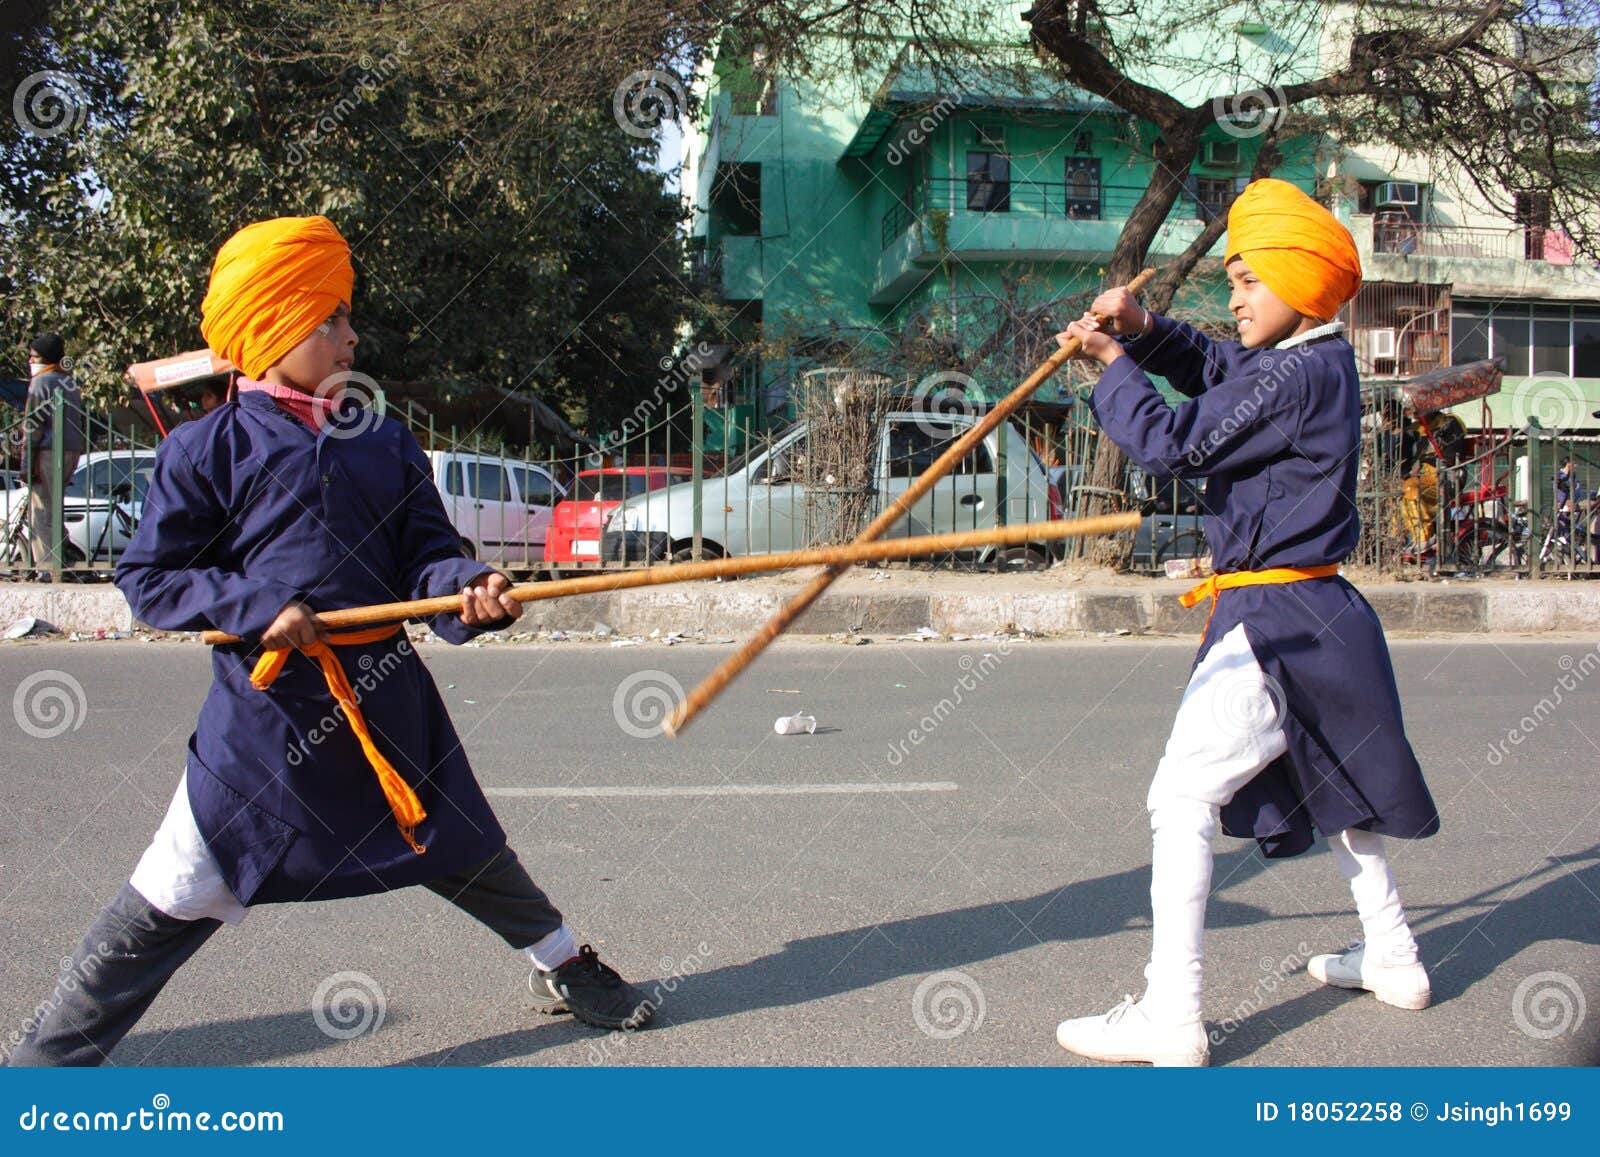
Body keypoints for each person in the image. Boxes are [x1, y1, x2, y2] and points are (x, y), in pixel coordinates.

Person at [6, 216, 653, 1067]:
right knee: (180, 884)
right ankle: (44, 1065)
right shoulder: (207, 450)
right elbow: (151, 579)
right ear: (272, 327)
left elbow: (426, 554)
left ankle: (566, 963)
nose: (351, 335)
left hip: (387, 696)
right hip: (268, 725)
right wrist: (252, 603)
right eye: (330, 319)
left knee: (462, 842)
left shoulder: (382, 438)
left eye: (346, 317)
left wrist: (466, 589)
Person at [1051, 179, 1440, 1067]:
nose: (1233, 300)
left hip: (1271, 619)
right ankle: (1395, 956)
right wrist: (1145, 333)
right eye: (1229, 283)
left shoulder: (1297, 372)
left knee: (1179, 798)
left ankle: (1172, 1015)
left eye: (1248, 282)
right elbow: (1224, 373)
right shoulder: (1316, 361)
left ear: (1302, 285)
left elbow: (1176, 442)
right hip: (1321, 614)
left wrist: (1111, 362)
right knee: (1340, 790)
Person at [22, 333, 87, 576]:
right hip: (71, 450)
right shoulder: (68, 381)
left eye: (34, 356)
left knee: (41, 512)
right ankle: (62, 559)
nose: (30, 361)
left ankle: (48, 567)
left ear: (46, 358)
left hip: (48, 452)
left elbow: (33, 427)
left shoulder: (41, 382)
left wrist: (27, 465)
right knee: (54, 509)